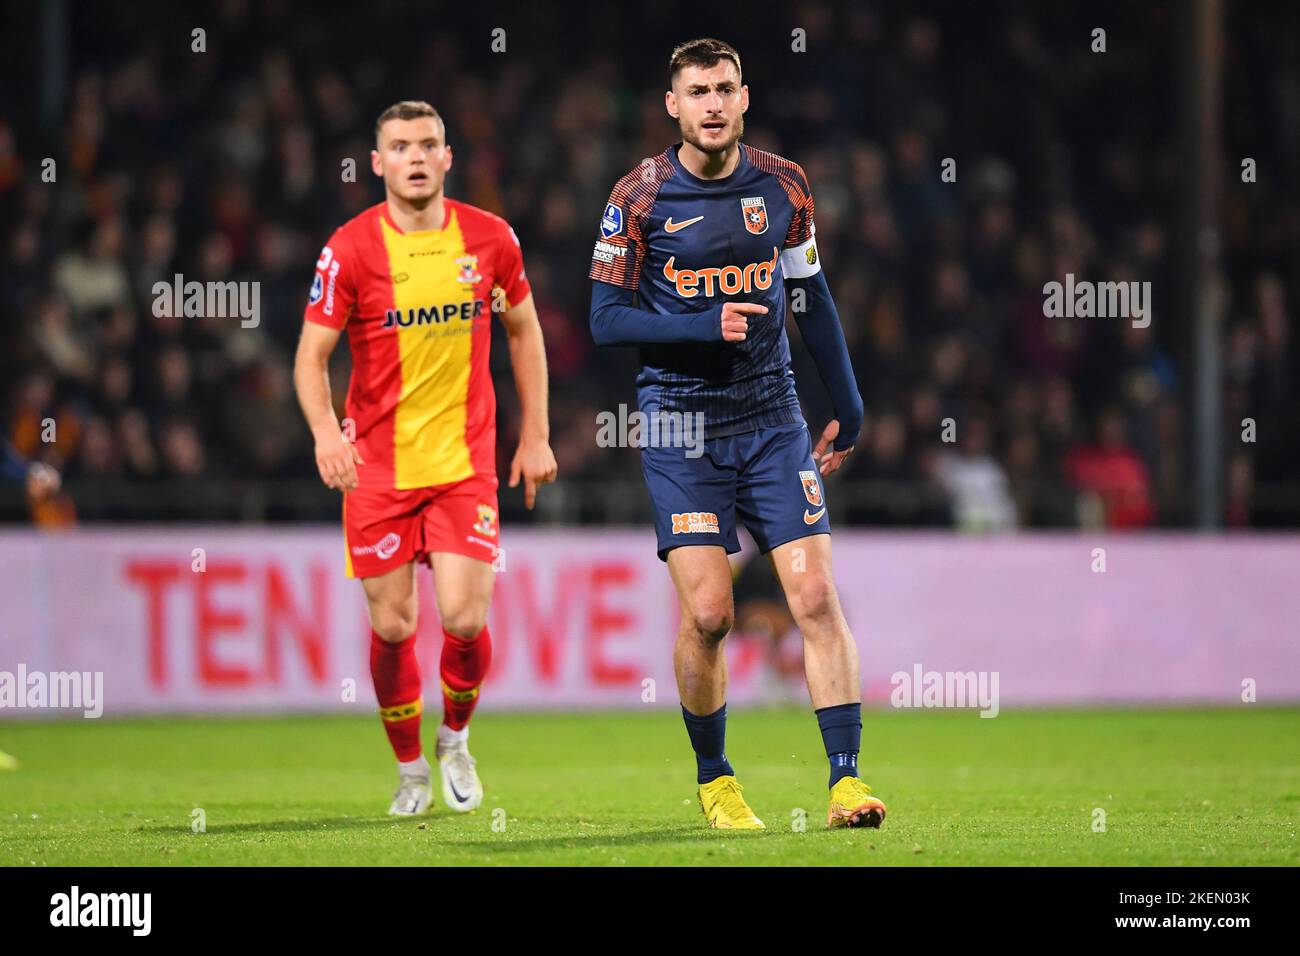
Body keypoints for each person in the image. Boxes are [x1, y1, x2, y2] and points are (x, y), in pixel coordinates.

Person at [588, 39, 883, 829]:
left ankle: (846, 782)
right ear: (672, 105)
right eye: (696, 91)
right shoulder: (637, 199)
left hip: (772, 419)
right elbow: (605, 320)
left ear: (744, 97)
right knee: (712, 615)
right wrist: (697, 324)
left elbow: (810, 296)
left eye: (724, 88)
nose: (712, 104)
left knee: (815, 594)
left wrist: (848, 405)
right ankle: (717, 781)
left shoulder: (785, 187)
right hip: (680, 425)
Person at [294, 101, 557, 816]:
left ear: (447, 158)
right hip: (376, 469)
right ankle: (410, 768)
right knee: (393, 628)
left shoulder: (490, 239)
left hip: (463, 465)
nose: (415, 156)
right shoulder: (348, 250)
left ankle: (456, 737)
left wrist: (534, 435)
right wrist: (325, 434)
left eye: (428, 144)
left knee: (467, 620)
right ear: (377, 164)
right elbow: (311, 358)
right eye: (399, 146)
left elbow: (524, 332)